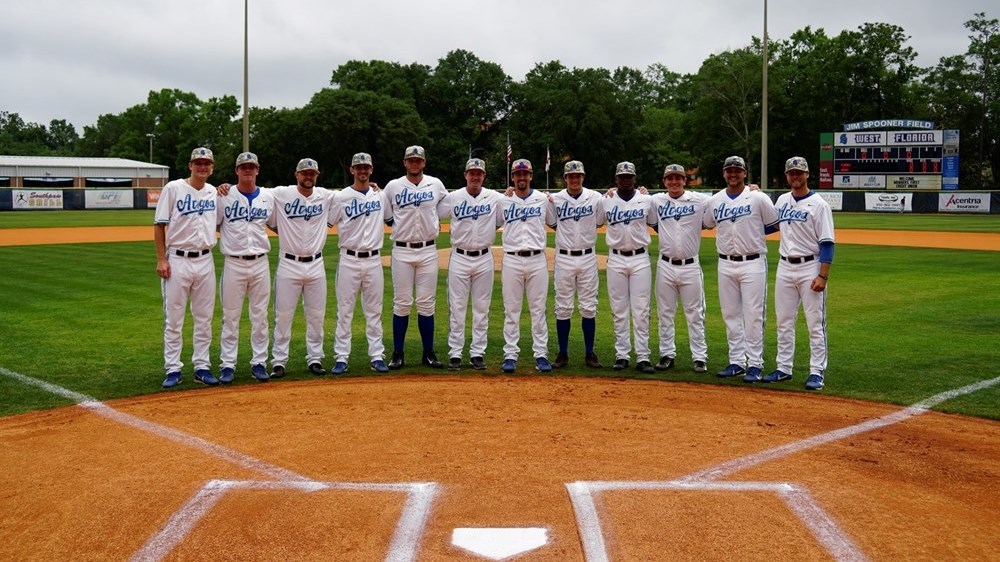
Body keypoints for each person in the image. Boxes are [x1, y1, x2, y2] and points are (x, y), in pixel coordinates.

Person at [702, 155, 779, 382]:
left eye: (737, 170)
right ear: (724, 173)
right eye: (729, 170)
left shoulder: (758, 197)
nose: (733, 174)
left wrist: (755, 230)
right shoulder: (715, 200)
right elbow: (707, 223)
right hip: (725, 262)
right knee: (730, 314)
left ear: (744, 173)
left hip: (753, 262)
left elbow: (775, 223)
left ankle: (755, 364)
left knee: (754, 315)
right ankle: (736, 362)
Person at [764, 156, 834, 390]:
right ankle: (784, 368)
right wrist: (753, 196)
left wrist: (823, 275)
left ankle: (817, 371)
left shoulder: (819, 205)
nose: (795, 176)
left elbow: (827, 243)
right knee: (784, 321)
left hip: (810, 266)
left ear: (807, 175)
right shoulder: (782, 200)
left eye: (799, 172)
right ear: (787, 176)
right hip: (785, 266)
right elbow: (769, 226)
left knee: (815, 323)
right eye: (791, 173)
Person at [154, 147, 219, 388]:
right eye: (198, 163)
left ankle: (202, 366)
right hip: (178, 259)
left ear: (212, 168)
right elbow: (159, 225)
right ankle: (173, 368)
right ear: (190, 165)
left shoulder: (214, 192)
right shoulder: (173, 188)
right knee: (174, 318)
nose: (202, 167)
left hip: (205, 259)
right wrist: (161, 259)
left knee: (204, 318)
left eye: (206, 163)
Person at [267, 158, 335, 379]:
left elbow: (352, 193)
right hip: (289, 263)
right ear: (296, 174)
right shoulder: (281, 193)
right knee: (283, 316)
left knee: (316, 315)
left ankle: (315, 358)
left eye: (312, 173)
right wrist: (225, 188)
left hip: (316, 264)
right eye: (304, 173)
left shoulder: (326, 196)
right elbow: (253, 192)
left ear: (317, 175)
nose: (308, 176)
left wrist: (373, 187)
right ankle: (279, 361)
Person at [383, 145, 449, 369]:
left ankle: (428, 353)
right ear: (404, 162)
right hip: (402, 250)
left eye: (418, 160)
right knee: (401, 303)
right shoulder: (393, 186)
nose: (414, 163)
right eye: (410, 160)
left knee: (426, 304)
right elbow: (383, 208)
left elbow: (448, 204)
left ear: (424, 162)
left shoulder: (435, 184)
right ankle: (397, 353)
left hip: (428, 250)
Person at [437, 158, 503, 370]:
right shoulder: (453, 197)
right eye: (472, 173)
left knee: (481, 308)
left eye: (479, 173)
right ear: (465, 175)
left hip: (484, 257)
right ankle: (455, 353)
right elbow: (431, 210)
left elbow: (512, 207)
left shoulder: (495, 197)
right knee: (456, 307)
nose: (475, 176)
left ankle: (477, 353)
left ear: (484, 176)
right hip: (460, 256)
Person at [327, 153, 389, 374]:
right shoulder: (341, 197)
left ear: (371, 170)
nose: (362, 170)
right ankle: (341, 357)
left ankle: (377, 355)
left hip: (373, 259)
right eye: (358, 167)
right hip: (349, 259)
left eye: (366, 167)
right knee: (345, 311)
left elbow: (390, 218)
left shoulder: (380, 196)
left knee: (374, 311)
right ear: (352, 170)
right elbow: (328, 222)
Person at [216, 152, 273, 383]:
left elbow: (276, 222)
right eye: (243, 167)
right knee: (230, 317)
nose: (248, 170)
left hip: (260, 262)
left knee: (260, 315)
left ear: (257, 170)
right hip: (234, 263)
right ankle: (227, 365)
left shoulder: (268, 197)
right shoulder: (224, 196)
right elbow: (214, 223)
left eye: (251, 166)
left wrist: (372, 187)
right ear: (236, 171)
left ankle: (259, 362)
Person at [647, 164, 710, 373]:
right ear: (664, 181)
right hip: (665, 265)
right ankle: (666, 354)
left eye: (678, 178)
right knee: (665, 313)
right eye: (670, 178)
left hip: (690, 266)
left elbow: (723, 200)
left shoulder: (699, 200)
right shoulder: (656, 200)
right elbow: (634, 198)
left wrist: (751, 190)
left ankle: (699, 357)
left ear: (685, 180)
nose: (674, 182)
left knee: (695, 313)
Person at [499, 158, 556, 373]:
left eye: (525, 174)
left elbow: (553, 222)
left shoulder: (542, 199)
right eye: (518, 174)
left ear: (531, 176)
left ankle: (541, 354)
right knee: (511, 309)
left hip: (537, 259)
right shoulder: (503, 201)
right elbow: (495, 222)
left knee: (538, 309)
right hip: (512, 259)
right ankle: (510, 355)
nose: (521, 177)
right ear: (512, 177)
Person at [548, 160, 604, 369]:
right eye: (571, 176)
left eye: (578, 176)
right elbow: (553, 223)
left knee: (589, 306)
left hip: (588, 256)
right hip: (564, 257)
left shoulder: (595, 198)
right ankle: (563, 353)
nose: (574, 179)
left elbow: (599, 222)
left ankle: (590, 353)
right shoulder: (555, 199)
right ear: (565, 178)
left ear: (583, 177)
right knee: (563, 307)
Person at [603, 162, 655, 374]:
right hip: (616, 259)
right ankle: (622, 355)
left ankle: (643, 356)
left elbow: (654, 222)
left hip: (640, 258)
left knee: (641, 309)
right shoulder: (606, 200)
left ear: (635, 178)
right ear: (616, 179)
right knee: (619, 310)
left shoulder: (646, 199)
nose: (625, 180)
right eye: (622, 177)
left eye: (629, 177)